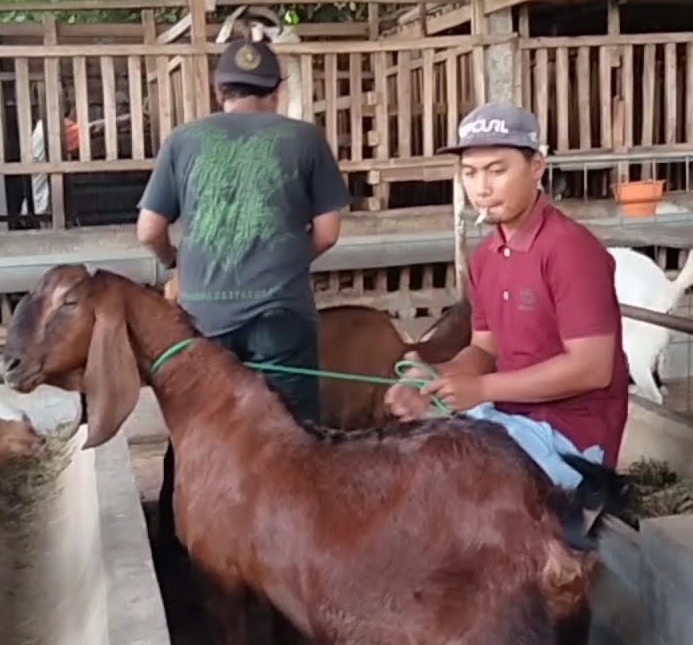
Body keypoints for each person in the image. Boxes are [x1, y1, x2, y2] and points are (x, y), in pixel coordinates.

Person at [136, 37, 352, 553]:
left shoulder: (184, 140)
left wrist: (178, 264)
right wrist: (284, 264)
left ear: (219, 90)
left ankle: (188, 549)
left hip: (203, 319)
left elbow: (148, 229)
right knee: (292, 437)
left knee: (197, 435)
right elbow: (328, 232)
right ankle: (296, 552)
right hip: (282, 314)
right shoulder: (305, 139)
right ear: (277, 92)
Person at [385, 102, 631, 483]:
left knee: (443, 485)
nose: (481, 188)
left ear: (536, 168)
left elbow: (592, 368)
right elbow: (485, 350)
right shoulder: (485, 257)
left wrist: (481, 388)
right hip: (506, 418)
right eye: (470, 173)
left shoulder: (570, 249)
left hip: (570, 437)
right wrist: (435, 381)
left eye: (497, 170)